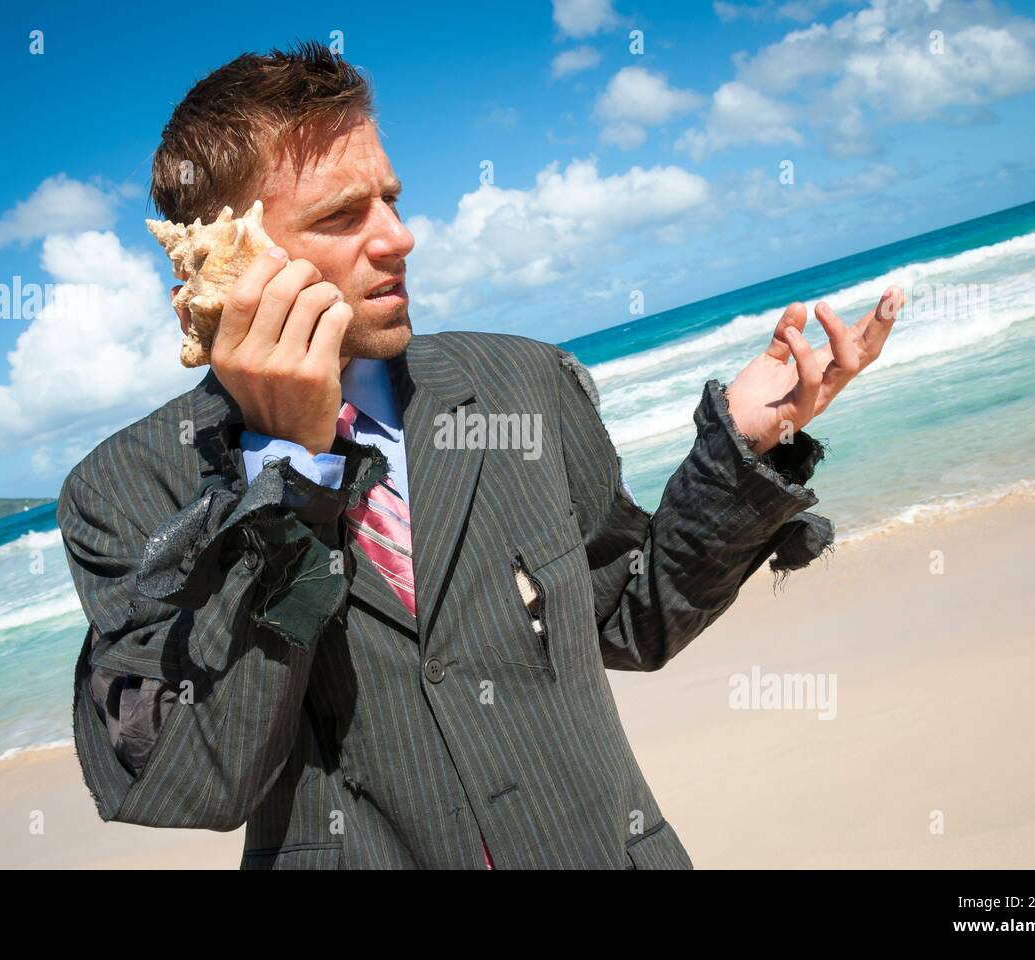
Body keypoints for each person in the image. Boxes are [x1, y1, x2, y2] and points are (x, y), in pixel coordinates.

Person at [57, 40, 900, 869]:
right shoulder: (126, 488)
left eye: (390, 198)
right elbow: (196, 782)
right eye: (342, 217)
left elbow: (629, 618)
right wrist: (292, 473)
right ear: (233, 258)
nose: (399, 236)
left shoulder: (519, 384)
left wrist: (741, 449)